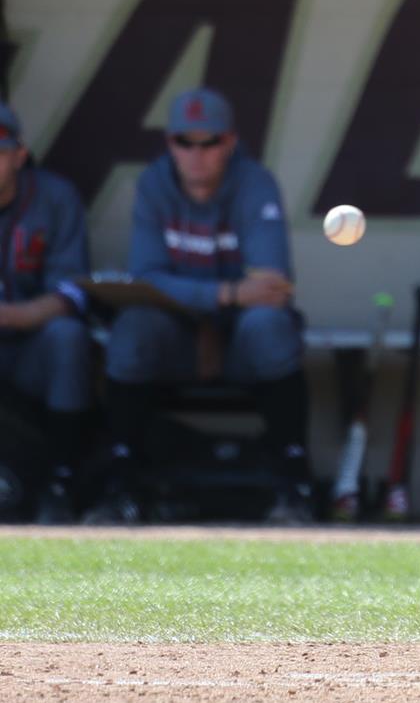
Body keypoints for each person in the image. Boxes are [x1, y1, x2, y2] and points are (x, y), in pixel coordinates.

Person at [89, 88, 308, 524]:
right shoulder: (154, 182)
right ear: (170, 143)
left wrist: (202, 297)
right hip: (179, 336)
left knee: (268, 324)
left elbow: (270, 285)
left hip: (241, 337)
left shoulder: (255, 182)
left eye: (208, 142)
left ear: (229, 142)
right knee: (133, 326)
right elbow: (146, 278)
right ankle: (119, 479)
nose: (196, 154)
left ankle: (293, 479)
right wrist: (224, 294)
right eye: (183, 142)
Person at [0, 102, 93, 523]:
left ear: (20, 154)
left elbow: (71, 294)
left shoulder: (54, 197)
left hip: (29, 348)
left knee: (67, 336)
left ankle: (61, 482)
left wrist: (12, 317)